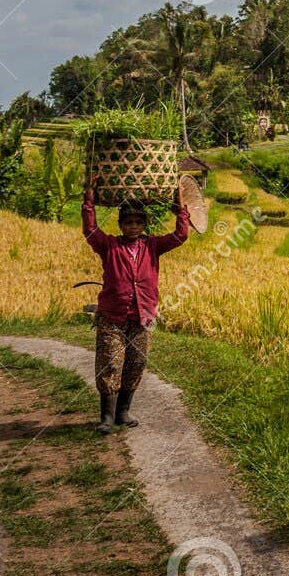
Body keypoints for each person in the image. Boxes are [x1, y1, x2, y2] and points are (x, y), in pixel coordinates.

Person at [82, 172, 191, 434]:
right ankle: (107, 417)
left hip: (142, 317)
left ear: (144, 224)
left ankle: (123, 412)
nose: (132, 226)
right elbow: (90, 230)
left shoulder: (153, 246)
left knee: (136, 363)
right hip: (112, 316)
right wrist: (89, 200)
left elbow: (181, 235)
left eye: (138, 222)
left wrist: (180, 206)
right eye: (128, 222)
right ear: (120, 224)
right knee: (110, 363)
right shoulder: (108, 246)